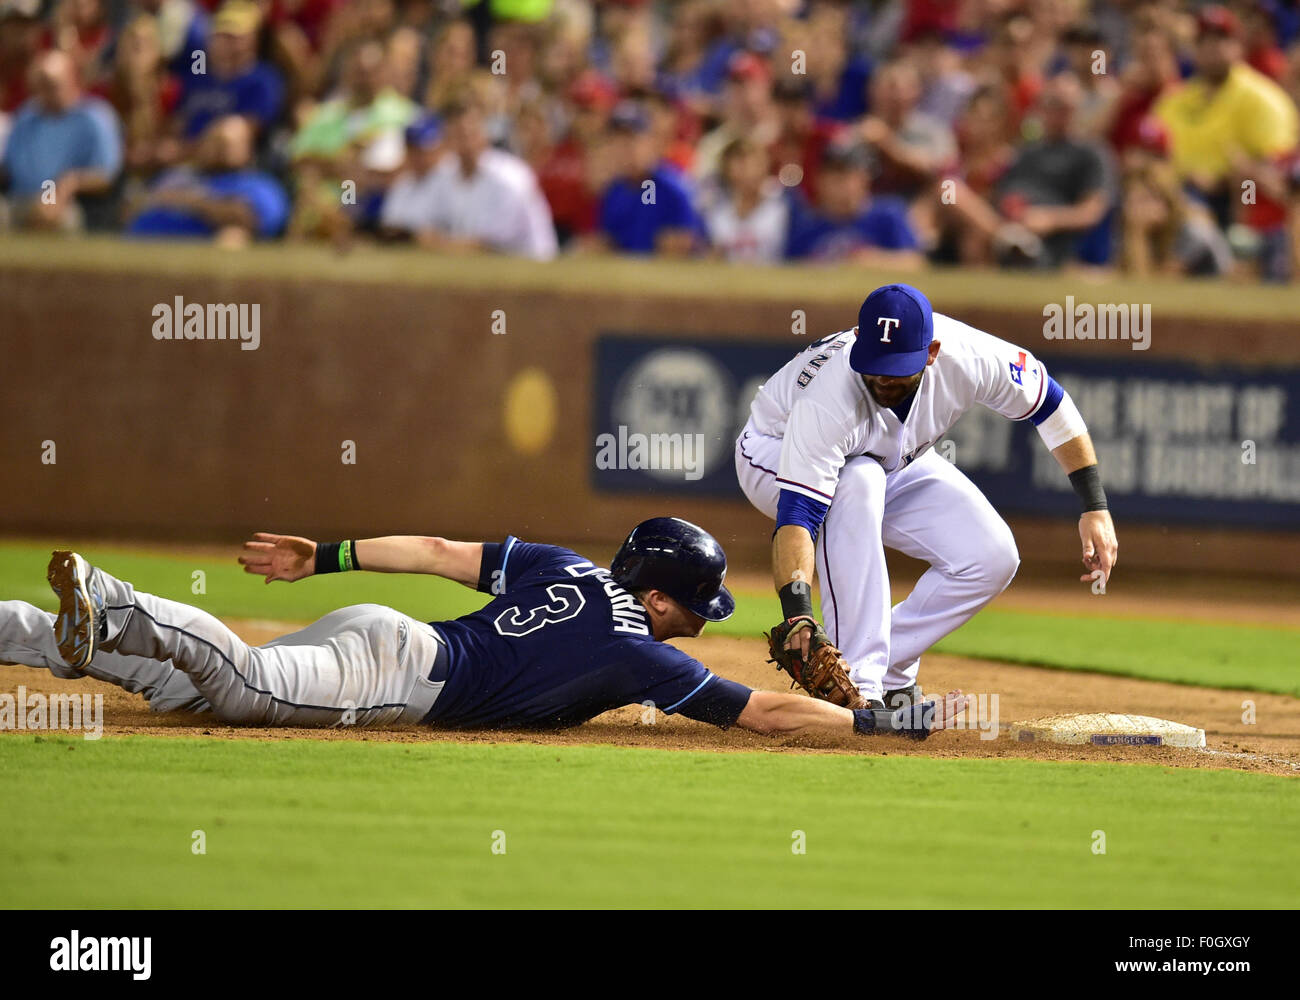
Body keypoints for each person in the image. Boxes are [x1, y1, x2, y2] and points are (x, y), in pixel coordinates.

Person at [0, 519, 967, 740]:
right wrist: (876, 723)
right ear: (664, 596)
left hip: (382, 626)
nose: (696, 632)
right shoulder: (636, 652)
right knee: (243, 686)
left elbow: (429, 546)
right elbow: (762, 711)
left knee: (177, 693)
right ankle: (116, 598)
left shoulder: (566, 565)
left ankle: (26, 629)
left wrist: (323, 556)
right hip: (406, 677)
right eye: (697, 610)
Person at [734, 283, 1119, 710]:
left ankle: (890, 667)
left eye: (896, 367)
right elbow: (798, 519)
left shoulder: (971, 357)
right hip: (772, 449)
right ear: (860, 341)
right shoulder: (829, 397)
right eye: (875, 363)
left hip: (893, 460)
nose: (882, 376)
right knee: (858, 479)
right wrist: (797, 610)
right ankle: (861, 686)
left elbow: (1050, 404)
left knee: (990, 556)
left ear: (931, 352)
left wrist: (1094, 506)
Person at [1, 48, 121, 230]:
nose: (44, 92)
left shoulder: (95, 117)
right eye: (40, 84)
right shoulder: (27, 116)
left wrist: (65, 186)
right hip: (18, 200)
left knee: (57, 218)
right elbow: (7, 168)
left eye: (51, 84)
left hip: (70, 205)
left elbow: (105, 175)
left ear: (73, 80)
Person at [125, 113, 288, 244]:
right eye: (211, 140)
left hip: (201, 259)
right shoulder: (175, 175)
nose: (216, 149)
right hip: (142, 248)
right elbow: (132, 210)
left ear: (248, 151)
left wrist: (187, 201)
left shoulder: (260, 185)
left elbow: (249, 220)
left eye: (225, 143)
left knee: (234, 235)